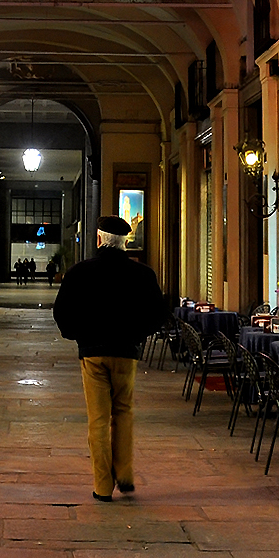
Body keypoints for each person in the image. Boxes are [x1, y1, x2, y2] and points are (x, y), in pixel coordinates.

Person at [54, 215, 168, 502]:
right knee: (124, 412)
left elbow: (61, 311)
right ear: (125, 242)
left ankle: (103, 486)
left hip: (93, 354)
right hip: (126, 353)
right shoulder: (143, 274)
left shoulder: (80, 272)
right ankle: (126, 473)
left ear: (98, 239)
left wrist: (77, 335)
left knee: (98, 420)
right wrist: (138, 334)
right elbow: (159, 314)